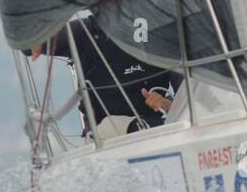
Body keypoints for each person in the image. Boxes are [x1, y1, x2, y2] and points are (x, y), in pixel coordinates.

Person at [27, 16, 178, 136]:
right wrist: (36, 39)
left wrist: (168, 105)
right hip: (106, 129)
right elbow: (28, 44)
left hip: (161, 125)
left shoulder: (163, 28)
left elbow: (190, 98)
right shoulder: (85, 31)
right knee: (145, 128)